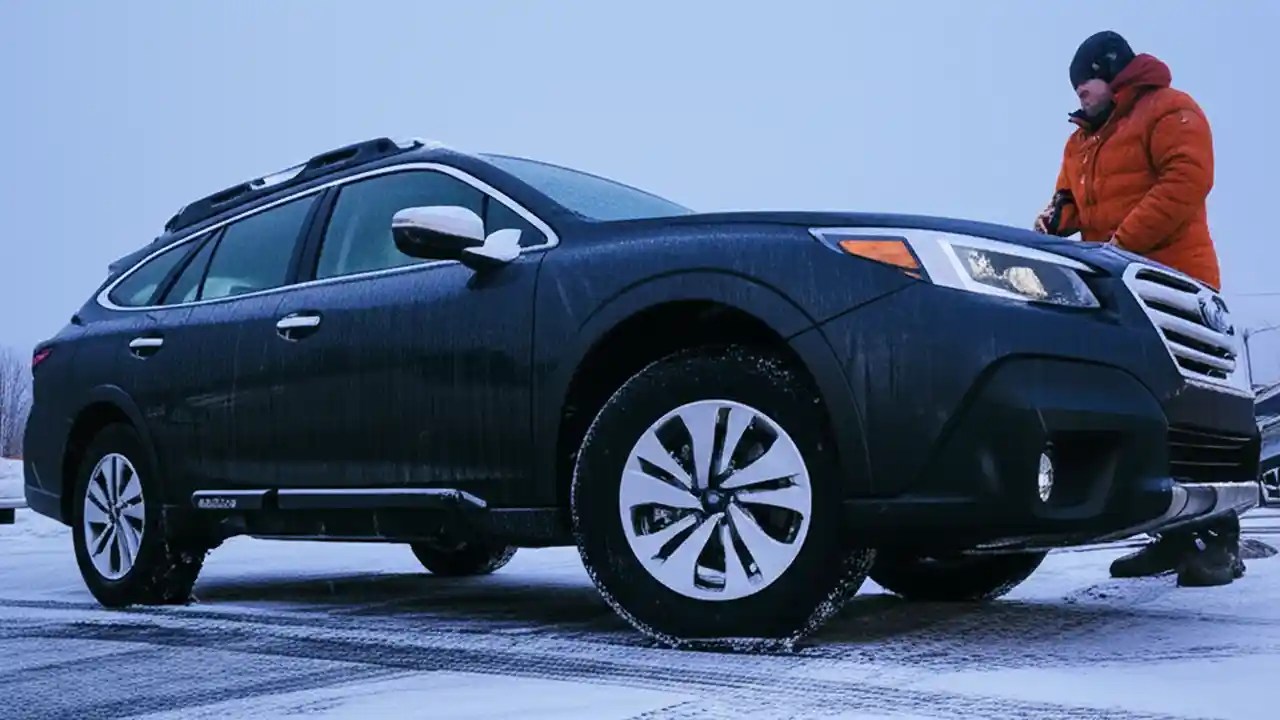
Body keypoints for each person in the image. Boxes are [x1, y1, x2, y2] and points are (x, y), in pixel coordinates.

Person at [1033, 30, 1244, 587]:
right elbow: (1070, 199)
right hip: (1119, 290)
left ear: (1116, 73)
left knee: (1195, 411)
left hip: (1179, 285)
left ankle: (1217, 540)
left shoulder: (1169, 109)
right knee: (1144, 409)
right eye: (1075, 88)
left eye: (1087, 83)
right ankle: (1171, 537)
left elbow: (1187, 180)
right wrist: (1054, 222)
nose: (1080, 95)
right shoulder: (1082, 140)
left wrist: (1120, 245)